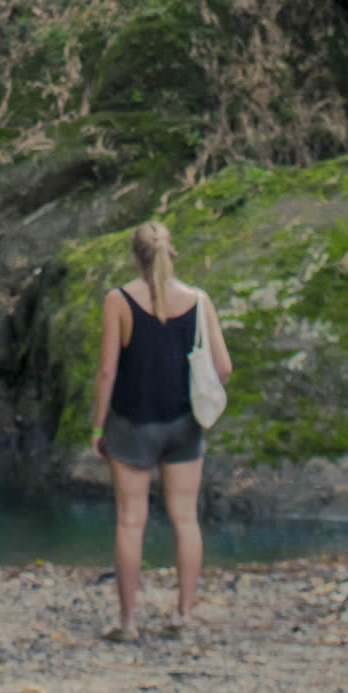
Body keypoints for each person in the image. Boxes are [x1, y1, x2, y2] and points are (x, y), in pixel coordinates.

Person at [89, 219, 231, 640]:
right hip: (183, 423)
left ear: (136, 257)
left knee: (131, 521)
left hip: (131, 423)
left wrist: (98, 428)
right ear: (172, 253)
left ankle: (128, 622)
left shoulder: (118, 301)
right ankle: (184, 616)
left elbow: (107, 370)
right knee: (186, 519)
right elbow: (223, 367)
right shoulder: (199, 300)